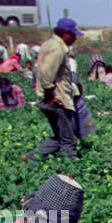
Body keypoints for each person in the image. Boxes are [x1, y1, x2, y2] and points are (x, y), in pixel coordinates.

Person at [27, 17, 84, 160]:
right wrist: (51, 96)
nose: (75, 38)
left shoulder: (49, 44)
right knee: (68, 140)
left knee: (61, 136)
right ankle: (69, 170)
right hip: (57, 100)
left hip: (50, 98)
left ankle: (30, 157)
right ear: (65, 33)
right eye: (73, 35)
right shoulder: (58, 48)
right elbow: (46, 72)